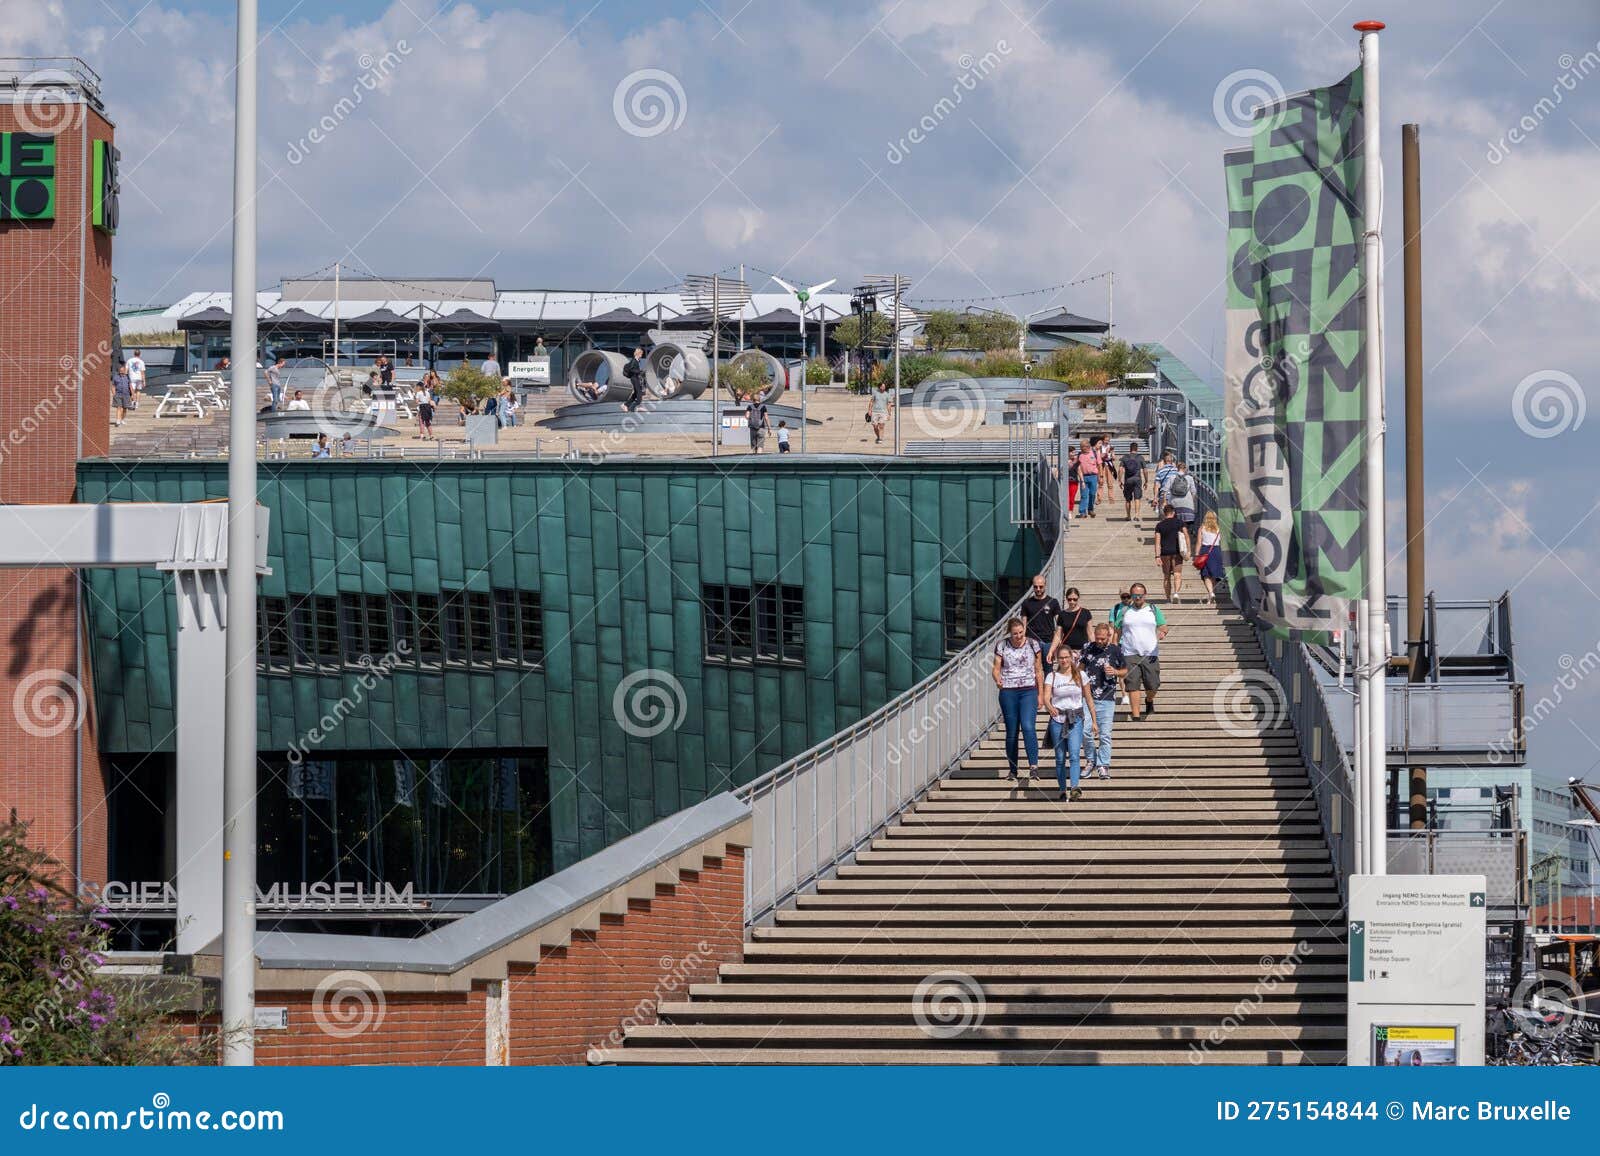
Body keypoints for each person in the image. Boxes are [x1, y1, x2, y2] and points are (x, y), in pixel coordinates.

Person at [992, 616, 1044, 782]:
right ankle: (1013, 770)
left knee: (1028, 726)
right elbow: (996, 668)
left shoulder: (1033, 644)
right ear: (1010, 633)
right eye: (1015, 634)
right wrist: (997, 679)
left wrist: (1041, 694)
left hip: (1028, 690)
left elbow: (1038, 670)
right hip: (1008, 691)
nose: (1019, 636)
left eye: (1021, 632)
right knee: (1012, 731)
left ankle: (1033, 766)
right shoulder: (1002, 645)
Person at [1044, 650, 1098, 801]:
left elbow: (1089, 699)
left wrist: (1094, 721)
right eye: (1060, 658)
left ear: (1072, 658)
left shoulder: (1081, 675)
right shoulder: (1052, 676)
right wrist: (1049, 706)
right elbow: (1046, 697)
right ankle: (1062, 789)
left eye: (1066, 657)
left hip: (1076, 719)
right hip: (1058, 719)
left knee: (1074, 755)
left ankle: (1074, 787)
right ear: (1057, 660)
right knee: (1060, 757)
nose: (1064, 660)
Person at [1078, 622, 1128, 779]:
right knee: (1086, 731)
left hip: (1107, 697)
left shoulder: (1115, 650)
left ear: (1109, 636)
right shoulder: (1088, 647)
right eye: (1097, 638)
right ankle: (1091, 760)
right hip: (1088, 696)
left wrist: (1115, 671)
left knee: (1105, 734)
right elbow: (1080, 667)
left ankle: (1103, 764)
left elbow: (1125, 671)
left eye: (1102, 639)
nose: (1099, 641)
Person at [1118, 582, 1169, 721]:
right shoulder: (1124, 611)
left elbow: (1163, 626)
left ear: (1145, 595)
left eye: (1140, 595)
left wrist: (1162, 633)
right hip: (1129, 653)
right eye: (1135, 595)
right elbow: (1117, 630)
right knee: (1132, 684)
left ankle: (1149, 700)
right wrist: (1114, 648)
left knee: (1153, 685)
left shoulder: (1153, 609)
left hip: (1150, 654)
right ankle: (1136, 716)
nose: (1138, 598)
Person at [1019, 574, 1064, 660]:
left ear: (1045, 586)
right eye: (1035, 587)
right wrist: (1021, 641)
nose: (1038, 589)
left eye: (1041, 586)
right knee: (1032, 670)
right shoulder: (1026, 603)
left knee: (1048, 669)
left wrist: (1059, 639)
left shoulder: (1053, 602)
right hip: (1031, 642)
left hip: (1048, 642)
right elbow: (1023, 624)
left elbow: (1059, 623)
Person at [1154, 502, 1185, 601]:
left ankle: (1168, 597)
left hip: (1164, 553)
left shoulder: (1159, 525)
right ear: (1173, 512)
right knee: (1177, 574)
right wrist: (1188, 550)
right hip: (1177, 552)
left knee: (1166, 576)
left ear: (1164, 513)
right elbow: (1186, 536)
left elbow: (1157, 542)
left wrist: (1157, 556)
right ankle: (1176, 593)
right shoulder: (1180, 522)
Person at [1053, 586, 1093, 660]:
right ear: (1066, 599)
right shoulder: (1062, 614)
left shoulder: (1085, 613)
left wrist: (1095, 648)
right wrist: (1051, 650)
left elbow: (1090, 633)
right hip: (1068, 651)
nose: (1072, 602)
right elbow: (1058, 635)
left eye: (1075, 599)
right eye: (1069, 599)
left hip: (1083, 650)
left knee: (1082, 671)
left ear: (1078, 598)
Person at [1168, 461, 1197, 554]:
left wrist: (1165, 501)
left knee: (1175, 525)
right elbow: (1194, 491)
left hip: (1174, 504)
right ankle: (1185, 548)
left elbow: (1165, 490)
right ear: (1185, 469)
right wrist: (1191, 501)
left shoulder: (1172, 477)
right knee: (1184, 527)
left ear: (1177, 468)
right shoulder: (1189, 478)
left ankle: (1176, 544)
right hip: (1187, 504)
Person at [1196, 509, 1224, 604]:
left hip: (1205, 551)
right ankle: (1212, 596)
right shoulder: (1219, 529)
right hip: (1216, 551)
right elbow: (1222, 542)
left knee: (1206, 574)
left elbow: (1199, 542)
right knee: (1214, 574)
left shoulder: (1202, 528)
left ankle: (1211, 593)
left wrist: (1196, 554)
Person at [1120, 438, 1148, 522]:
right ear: (1137, 449)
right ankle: (1137, 515)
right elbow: (1145, 470)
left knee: (1128, 499)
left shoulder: (1125, 457)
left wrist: (1119, 480)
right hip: (1137, 479)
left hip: (1127, 480)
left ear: (1130, 449)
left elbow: (1120, 470)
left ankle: (1128, 516)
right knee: (1137, 498)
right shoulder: (1140, 458)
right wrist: (1146, 481)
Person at [1075, 438, 1100, 517]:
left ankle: (1090, 509)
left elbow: (1099, 465)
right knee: (1084, 495)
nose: (1085, 448)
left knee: (1092, 494)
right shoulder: (1080, 455)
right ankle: (1082, 512)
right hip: (1084, 477)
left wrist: (1101, 477)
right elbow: (1077, 467)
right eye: (1082, 447)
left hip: (1093, 476)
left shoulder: (1094, 454)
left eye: (1086, 447)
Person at [622, 347, 647, 412]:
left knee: (636, 393)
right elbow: (631, 369)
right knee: (639, 392)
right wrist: (639, 371)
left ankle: (626, 405)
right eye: (641, 354)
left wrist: (640, 372)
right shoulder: (634, 360)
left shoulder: (637, 361)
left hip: (636, 378)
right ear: (638, 354)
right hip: (634, 378)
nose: (641, 355)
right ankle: (638, 406)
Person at [111, 359, 132, 426]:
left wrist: (133, 395)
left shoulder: (127, 377)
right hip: (118, 394)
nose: (122, 372)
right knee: (119, 407)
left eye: (123, 371)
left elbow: (130, 386)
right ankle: (118, 420)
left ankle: (122, 419)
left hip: (126, 394)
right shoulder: (116, 377)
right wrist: (114, 394)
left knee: (125, 408)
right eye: (121, 371)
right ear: (119, 371)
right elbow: (113, 386)